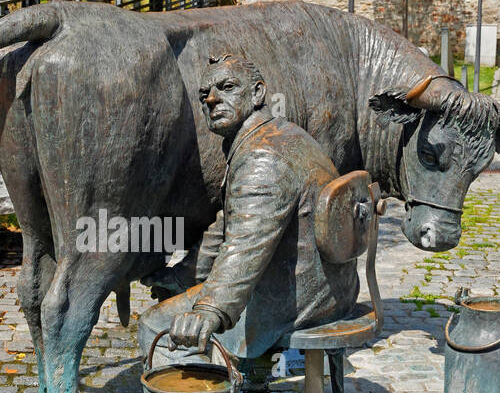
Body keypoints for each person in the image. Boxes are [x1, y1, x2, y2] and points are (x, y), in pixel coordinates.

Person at [139, 54, 359, 363]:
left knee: (154, 326)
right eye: (205, 95)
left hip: (300, 299)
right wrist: (186, 275)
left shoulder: (262, 157)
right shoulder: (280, 133)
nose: (212, 99)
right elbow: (230, 225)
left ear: (257, 94)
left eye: (226, 87)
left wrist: (209, 310)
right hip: (334, 286)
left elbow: (245, 245)